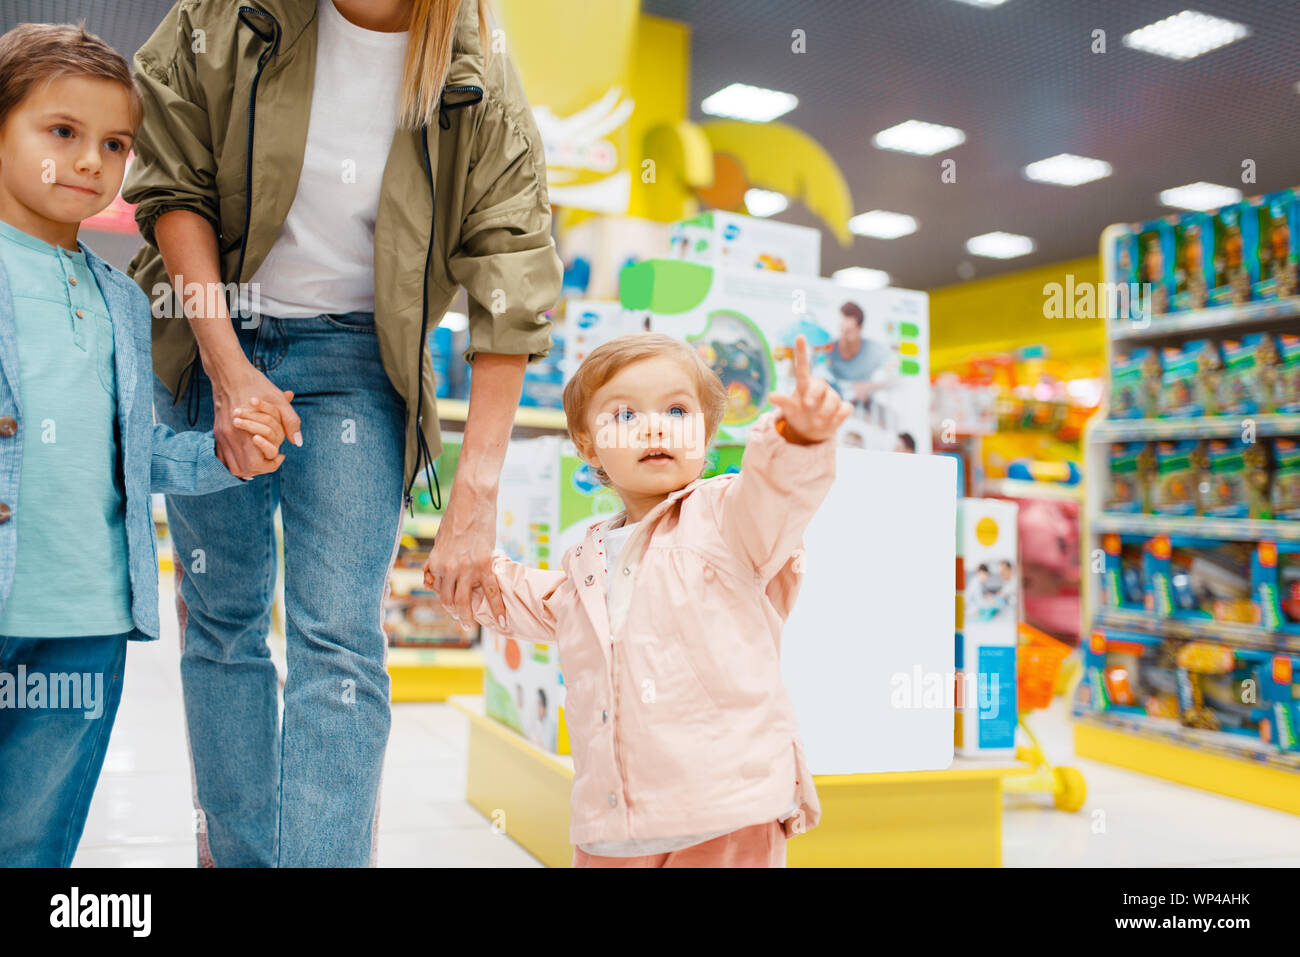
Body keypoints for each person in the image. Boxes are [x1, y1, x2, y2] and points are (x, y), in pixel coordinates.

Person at [121, 0, 561, 867]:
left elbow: (510, 263)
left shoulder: (475, 59)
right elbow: (173, 181)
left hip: (360, 357)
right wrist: (226, 368)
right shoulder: (228, 12)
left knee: (341, 640)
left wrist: (475, 494)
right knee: (223, 620)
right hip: (215, 330)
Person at [0, 23, 283, 866]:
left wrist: (232, 453)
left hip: (88, 616)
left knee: (33, 837)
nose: (91, 159)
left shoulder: (124, 301)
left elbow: (143, 451)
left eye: (115, 143)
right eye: (62, 132)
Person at [433, 333, 850, 868]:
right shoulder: (585, 557)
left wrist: (800, 439)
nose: (655, 426)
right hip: (614, 820)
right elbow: (528, 601)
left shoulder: (729, 520)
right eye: (624, 415)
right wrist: (461, 570)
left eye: (677, 409)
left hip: (726, 813)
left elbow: (779, 491)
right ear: (587, 444)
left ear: (706, 430)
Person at [828, 301, 888, 413]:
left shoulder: (873, 350)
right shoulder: (829, 349)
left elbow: (897, 377)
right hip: (834, 406)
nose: (844, 337)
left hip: (864, 406)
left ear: (860, 329)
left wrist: (870, 387)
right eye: (842, 330)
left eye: (849, 332)